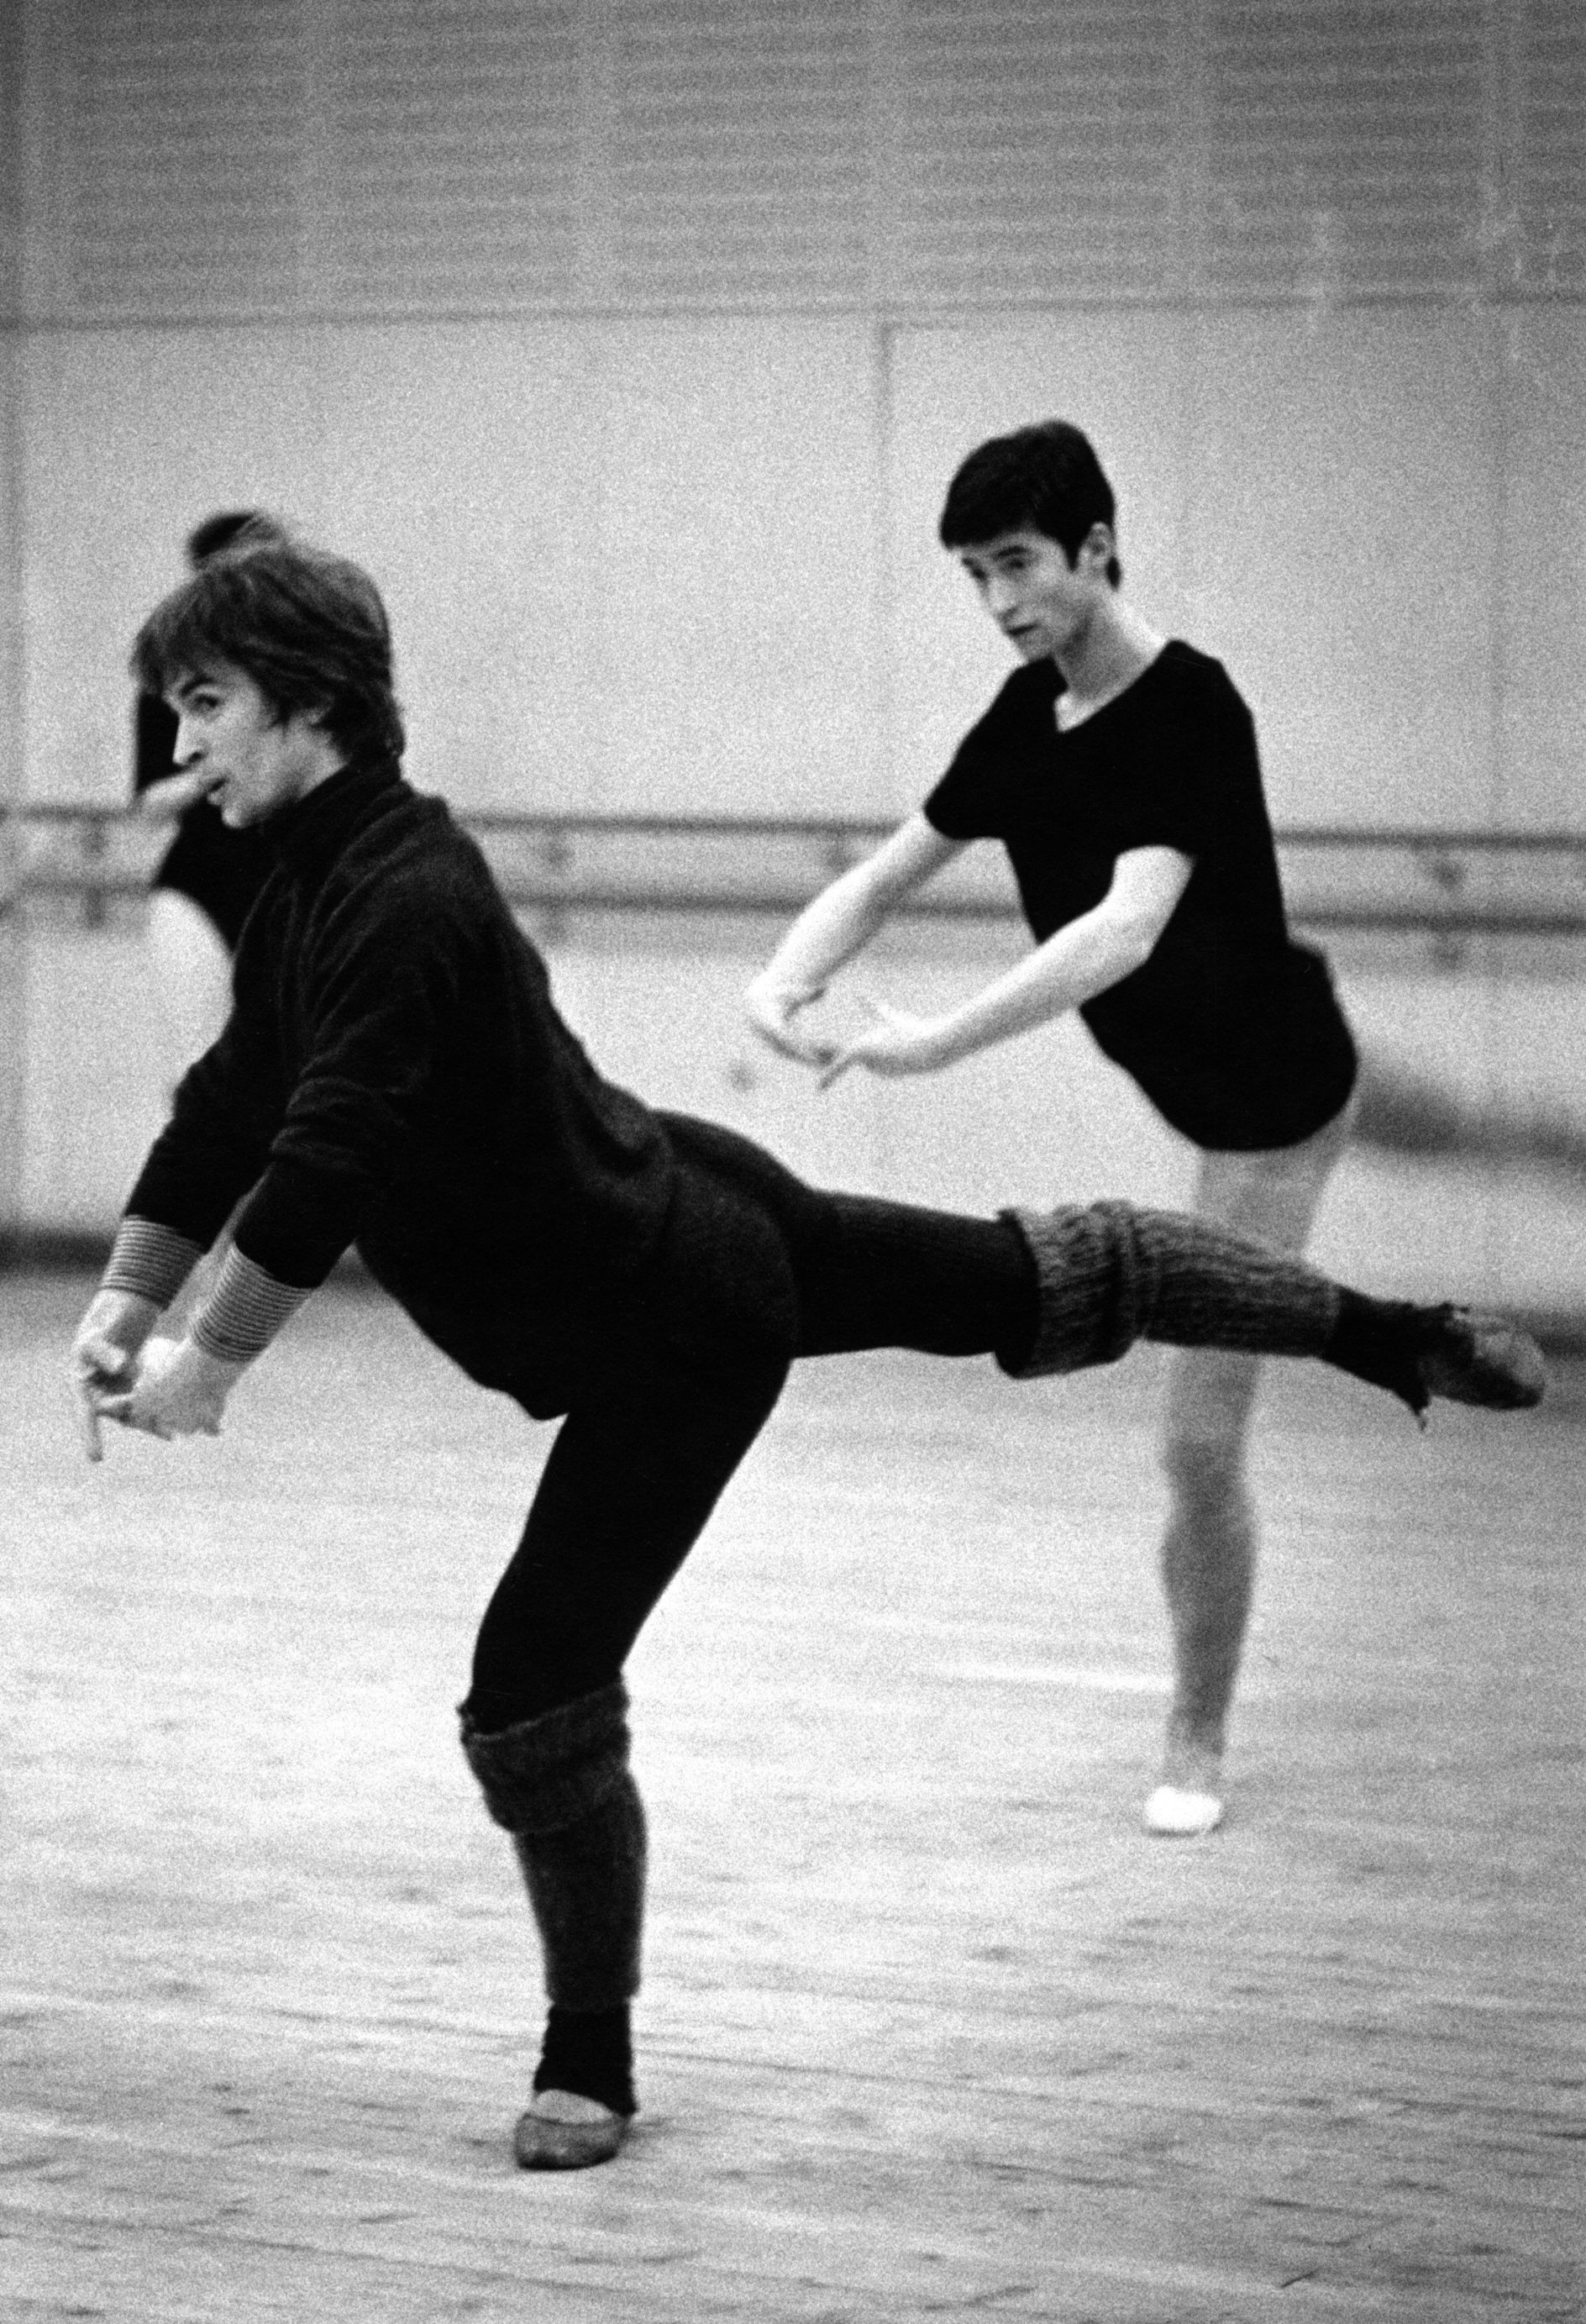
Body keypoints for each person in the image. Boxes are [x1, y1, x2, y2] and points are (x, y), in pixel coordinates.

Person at [69, 539, 1541, 2173]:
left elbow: (336, 1138)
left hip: (671, 1319)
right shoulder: (317, 884)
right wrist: (131, 1297)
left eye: (203, 701)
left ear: (308, 702)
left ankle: (589, 2067)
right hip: (694, 1198)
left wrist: (215, 1355)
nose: (181, 744)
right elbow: (233, 1103)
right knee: (1039, 1275)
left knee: (529, 1693)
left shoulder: (400, 894)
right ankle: (1387, 1335)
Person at [747, 419, 1365, 1843]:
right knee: (1443, 1120)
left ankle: (1194, 1735)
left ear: (1095, 545)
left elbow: (1122, 931)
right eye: (973, 575)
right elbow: (892, 868)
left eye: (1016, 564)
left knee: (1196, 1448)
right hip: (1229, 1060)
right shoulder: (1026, 718)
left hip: (1262, 1111)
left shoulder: (1193, 707)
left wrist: (932, 1040)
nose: (999, 601)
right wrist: (784, 971)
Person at [134, 513, 286, 1067]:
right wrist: (216, 761)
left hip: (281, 884)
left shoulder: (296, 677)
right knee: (198, 1077)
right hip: (199, 886)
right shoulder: (168, 678)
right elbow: (150, 803)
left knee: (286, 1075)